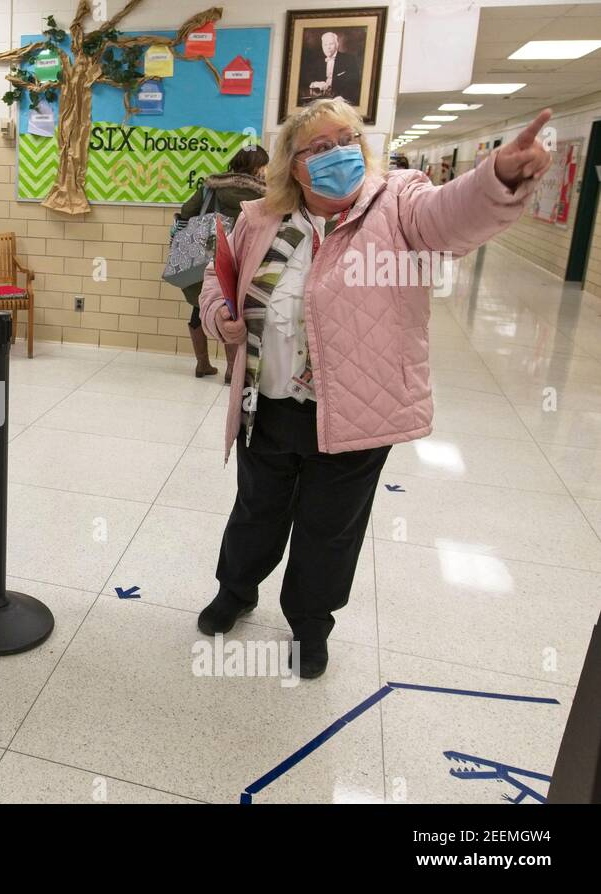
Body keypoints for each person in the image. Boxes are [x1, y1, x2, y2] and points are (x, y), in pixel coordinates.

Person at [197, 98, 551, 679]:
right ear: (292, 163)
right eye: (320, 146)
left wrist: (500, 177)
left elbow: (452, 216)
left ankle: (311, 623)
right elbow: (221, 278)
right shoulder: (260, 216)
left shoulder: (400, 205)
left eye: (348, 141)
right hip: (270, 402)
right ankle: (235, 589)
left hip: (356, 412)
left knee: (329, 527)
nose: (338, 153)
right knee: (256, 509)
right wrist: (220, 317)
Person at [176, 145, 268, 379]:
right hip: (244, 259)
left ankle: (202, 364)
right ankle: (231, 369)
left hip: (205, 255)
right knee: (233, 311)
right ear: (258, 167)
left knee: (200, 307)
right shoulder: (265, 193)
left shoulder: (211, 186)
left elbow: (187, 211)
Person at [303, 31, 361, 106]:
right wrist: (314, 83)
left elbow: (355, 84)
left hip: (341, 102)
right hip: (319, 102)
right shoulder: (316, 61)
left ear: (337, 45)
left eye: (331, 44)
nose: (328, 47)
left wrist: (343, 97)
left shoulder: (349, 60)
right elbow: (306, 77)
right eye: (325, 44)